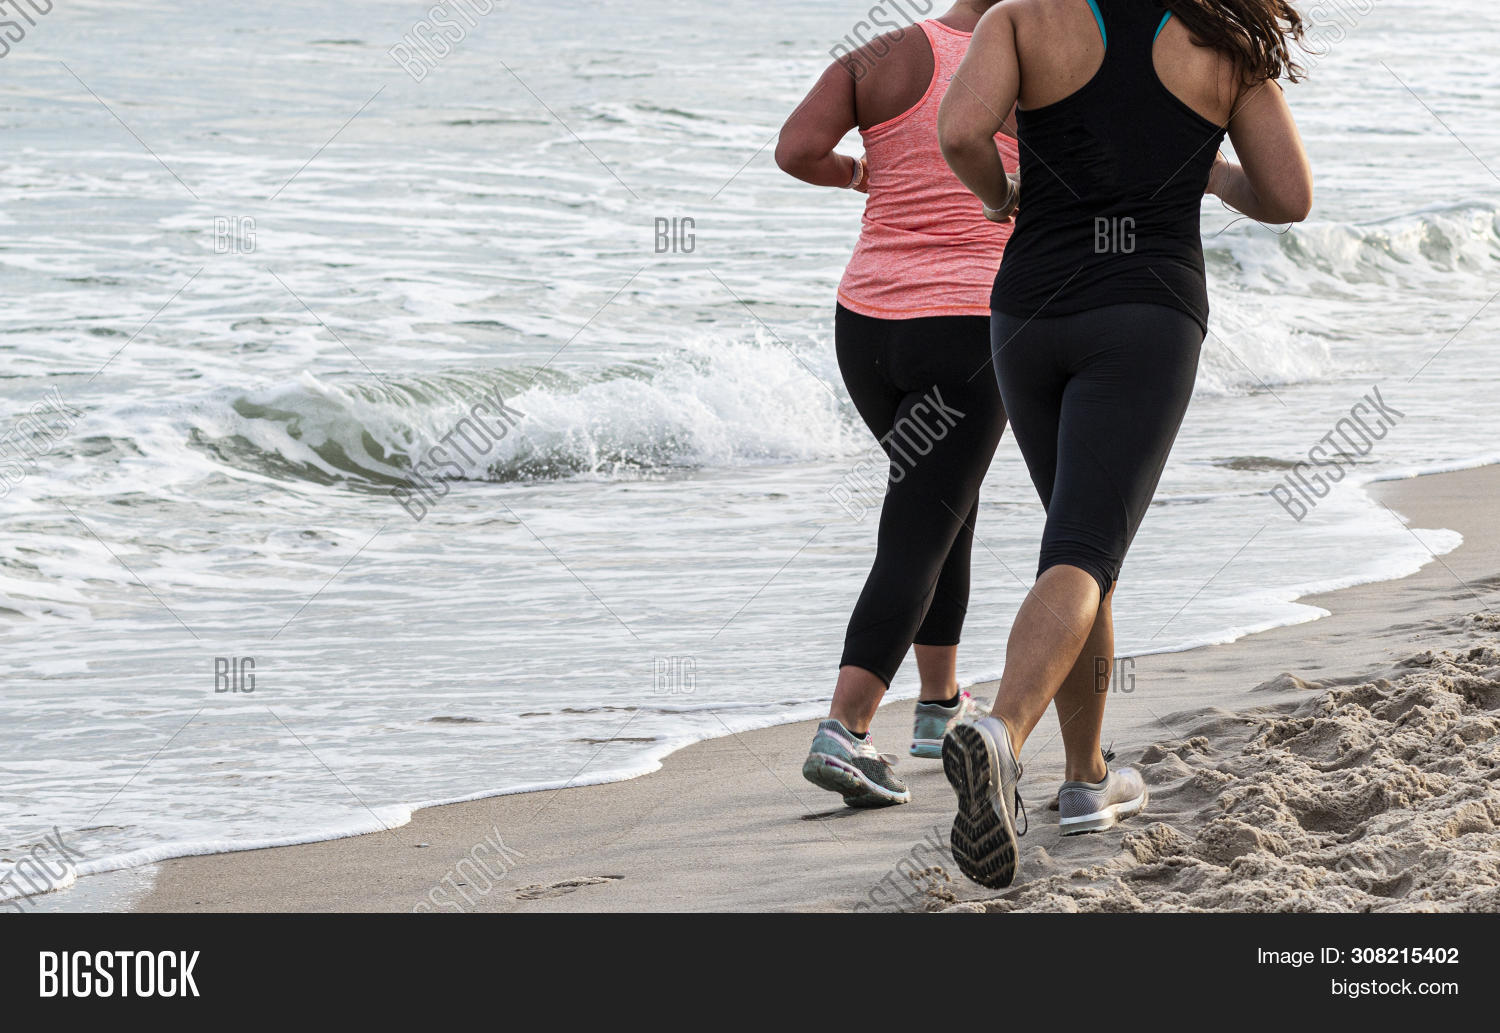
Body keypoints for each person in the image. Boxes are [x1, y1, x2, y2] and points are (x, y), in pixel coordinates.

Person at [937, 0, 1312, 884]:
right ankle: (1002, 732)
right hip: (1146, 316)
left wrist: (1003, 200)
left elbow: (960, 134)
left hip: (1029, 312)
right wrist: (1213, 175)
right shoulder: (1224, 38)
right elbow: (1289, 195)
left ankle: (1085, 780)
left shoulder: (1022, 16)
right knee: (1082, 548)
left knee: (1082, 544)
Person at [775, 1, 1020, 807]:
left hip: (867, 328)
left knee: (943, 504)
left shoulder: (876, 53)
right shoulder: (1031, 58)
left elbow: (798, 150)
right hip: (965, 327)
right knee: (920, 526)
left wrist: (858, 173)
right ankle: (844, 730)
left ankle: (941, 704)